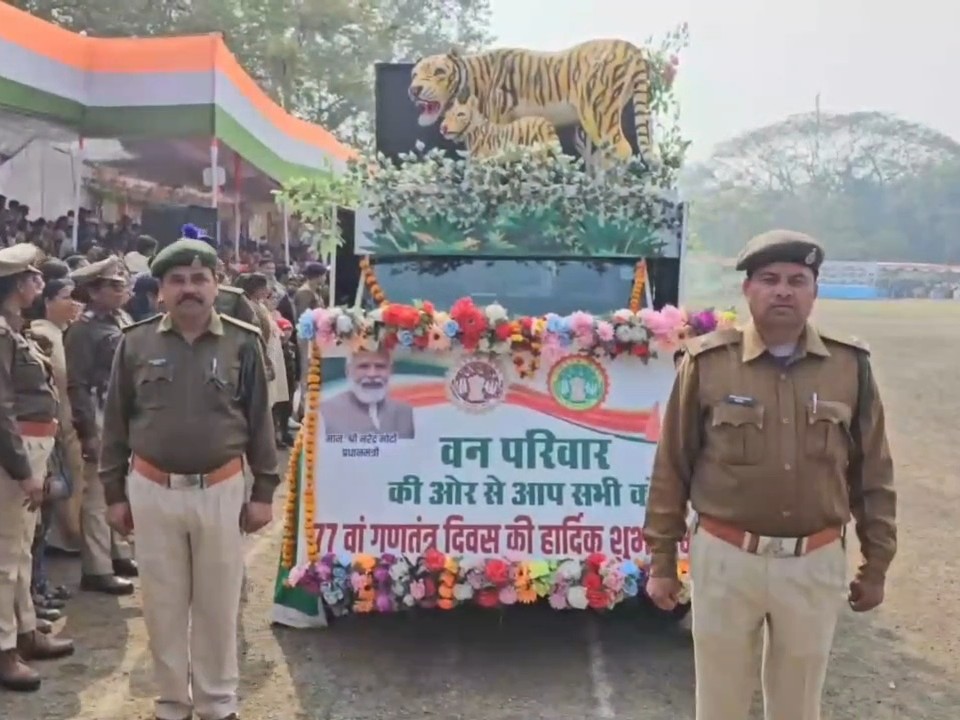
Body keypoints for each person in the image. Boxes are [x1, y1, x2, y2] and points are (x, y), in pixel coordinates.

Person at [643, 230, 897, 720]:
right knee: (719, 702)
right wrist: (661, 559)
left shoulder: (850, 366)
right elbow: (672, 466)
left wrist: (878, 562)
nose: (783, 290)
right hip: (725, 559)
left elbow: (873, 473)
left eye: (797, 280)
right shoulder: (707, 363)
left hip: (813, 560)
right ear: (748, 290)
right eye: (770, 279)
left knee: (798, 705)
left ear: (814, 292)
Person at [98, 238, 280, 720]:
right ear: (160, 291)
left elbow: (260, 421)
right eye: (177, 281)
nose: (189, 289)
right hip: (152, 490)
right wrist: (114, 494)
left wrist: (263, 491)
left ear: (216, 285)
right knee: (163, 604)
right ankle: (172, 703)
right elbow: (115, 423)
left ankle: (218, 704)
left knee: (219, 604)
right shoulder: (136, 342)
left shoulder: (243, 340)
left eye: (200, 279)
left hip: (221, 489)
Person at [0, 244, 75, 692]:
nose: (37, 284)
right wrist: (21, 468)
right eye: (29, 277)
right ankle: (4, 648)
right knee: (6, 554)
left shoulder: (14, 330)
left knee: (21, 548)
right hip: (16, 453)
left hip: (33, 445)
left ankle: (25, 631)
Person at [64, 257, 136, 595]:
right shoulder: (83, 330)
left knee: (119, 486)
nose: (122, 291)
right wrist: (88, 432)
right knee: (96, 494)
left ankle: (117, 552)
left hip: (123, 412)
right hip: (98, 412)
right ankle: (97, 567)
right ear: (94, 291)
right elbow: (77, 383)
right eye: (114, 285)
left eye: (123, 284)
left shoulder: (120, 319)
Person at [25, 261, 83, 620]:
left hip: (54, 435)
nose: (74, 302)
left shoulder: (58, 334)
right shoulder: (40, 335)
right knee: (30, 530)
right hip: (35, 441)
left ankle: (37, 589)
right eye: (66, 297)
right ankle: (30, 599)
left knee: (41, 526)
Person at [321, 348, 416, 438]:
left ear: (391, 371)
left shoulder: (405, 413)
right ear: (348, 371)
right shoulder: (325, 412)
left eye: (380, 366)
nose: (372, 374)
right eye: (363, 366)